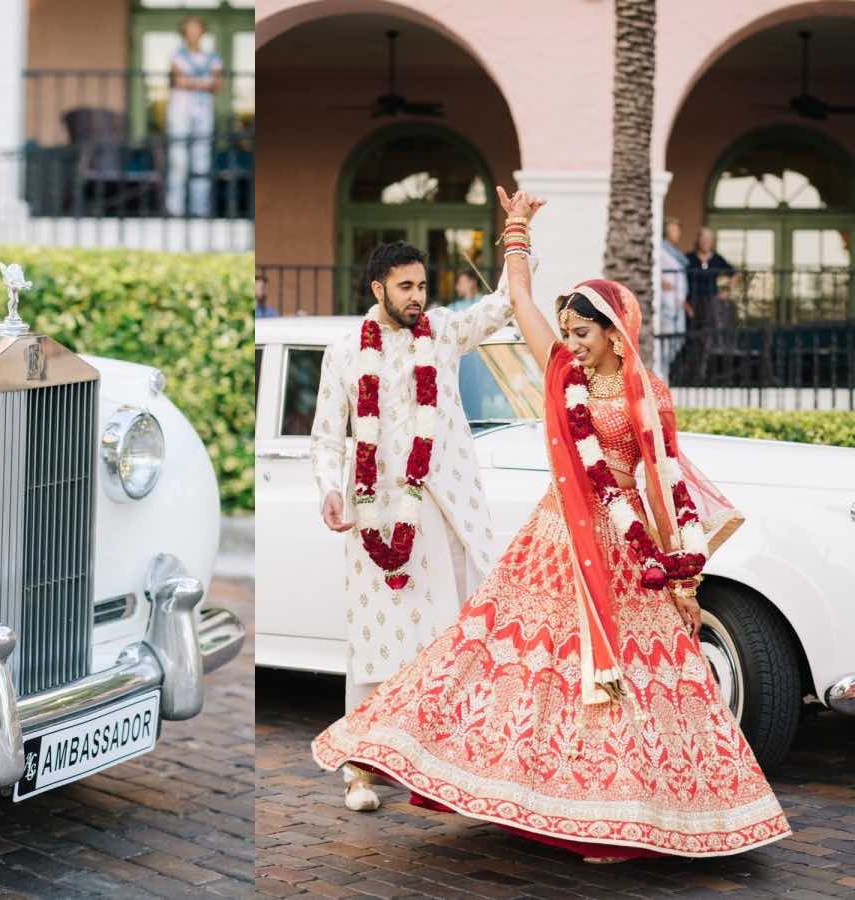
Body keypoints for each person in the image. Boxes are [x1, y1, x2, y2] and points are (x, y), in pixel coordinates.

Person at [312, 188, 790, 861]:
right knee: (527, 670)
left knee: (631, 679)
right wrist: (514, 231)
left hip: (625, 550)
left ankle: (634, 813)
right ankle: (512, 795)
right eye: (568, 334)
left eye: (584, 334)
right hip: (554, 537)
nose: (572, 345)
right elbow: (522, 305)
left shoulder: (645, 393)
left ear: (615, 331)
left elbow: (664, 478)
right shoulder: (563, 371)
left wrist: (678, 568)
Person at [310, 239, 531, 812]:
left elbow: (502, 305)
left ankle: (443, 768)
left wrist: (517, 235)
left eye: (422, 286)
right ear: (377, 288)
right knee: (373, 641)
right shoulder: (343, 350)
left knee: (443, 638)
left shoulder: (443, 335)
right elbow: (328, 434)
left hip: (441, 511)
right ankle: (360, 769)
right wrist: (330, 488)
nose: (417, 297)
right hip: (374, 515)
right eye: (405, 287)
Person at [165, 16, 222, 218]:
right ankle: (175, 209)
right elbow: (179, 81)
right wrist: (203, 82)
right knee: (178, 158)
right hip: (180, 110)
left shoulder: (212, 56)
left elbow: (217, 84)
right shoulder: (177, 55)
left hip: (203, 111)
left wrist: (192, 81)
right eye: (189, 29)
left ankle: (200, 209)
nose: (193, 33)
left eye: (196, 29)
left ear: (202, 32)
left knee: (202, 159)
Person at [685, 227, 735, 383]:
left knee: (709, 340)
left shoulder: (717, 259)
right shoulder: (689, 258)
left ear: (712, 242)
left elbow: (735, 274)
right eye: (703, 238)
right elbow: (680, 284)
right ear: (698, 240)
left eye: (708, 239)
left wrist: (725, 292)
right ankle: (691, 376)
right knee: (691, 340)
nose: (705, 241)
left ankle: (705, 376)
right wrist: (686, 306)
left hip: (711, 306)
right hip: (692, 304)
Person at [657, 218, 689, 380]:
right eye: (674, 229)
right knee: (666, 340)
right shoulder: (660, 249)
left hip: (677, 302)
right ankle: (661, 375)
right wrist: (660, 279)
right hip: (667, 302)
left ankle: (665, 373)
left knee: (676, 339)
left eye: (678, 229)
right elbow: (655, 267)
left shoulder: (674, 252)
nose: (678, 233)